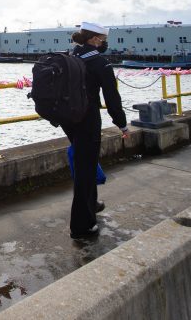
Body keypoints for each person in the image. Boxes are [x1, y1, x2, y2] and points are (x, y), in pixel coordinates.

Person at [63, 21, 128, 240]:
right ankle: (81, 226)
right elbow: (112, 97)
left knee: (86, 163)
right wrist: (122, 123)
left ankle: (92, 204)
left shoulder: (71, 57)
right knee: (85, 169)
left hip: (68, 120)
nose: (104, 44)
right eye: (102, 40)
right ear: (93, 40)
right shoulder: (100, 63)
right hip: (88, 120)